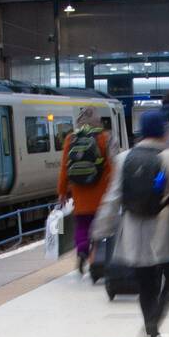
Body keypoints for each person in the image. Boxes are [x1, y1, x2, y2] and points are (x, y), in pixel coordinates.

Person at [93, 110, 169, 337]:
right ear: (163, 131)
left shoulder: (125, 158)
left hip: (134, 229)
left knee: (146, 284)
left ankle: (152, 335)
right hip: (165, 228)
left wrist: (101, 229)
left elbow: (113, 196)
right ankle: (155, 320)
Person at [56, 106, 114, 273]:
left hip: (79, 192)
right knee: (99, 227)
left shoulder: (71, 138)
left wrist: (62, 191)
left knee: (82, 225)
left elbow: (64, 168)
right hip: (100, 192)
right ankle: (96, 259)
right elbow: (111, 166)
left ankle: (82, 251)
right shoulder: (104, 138)